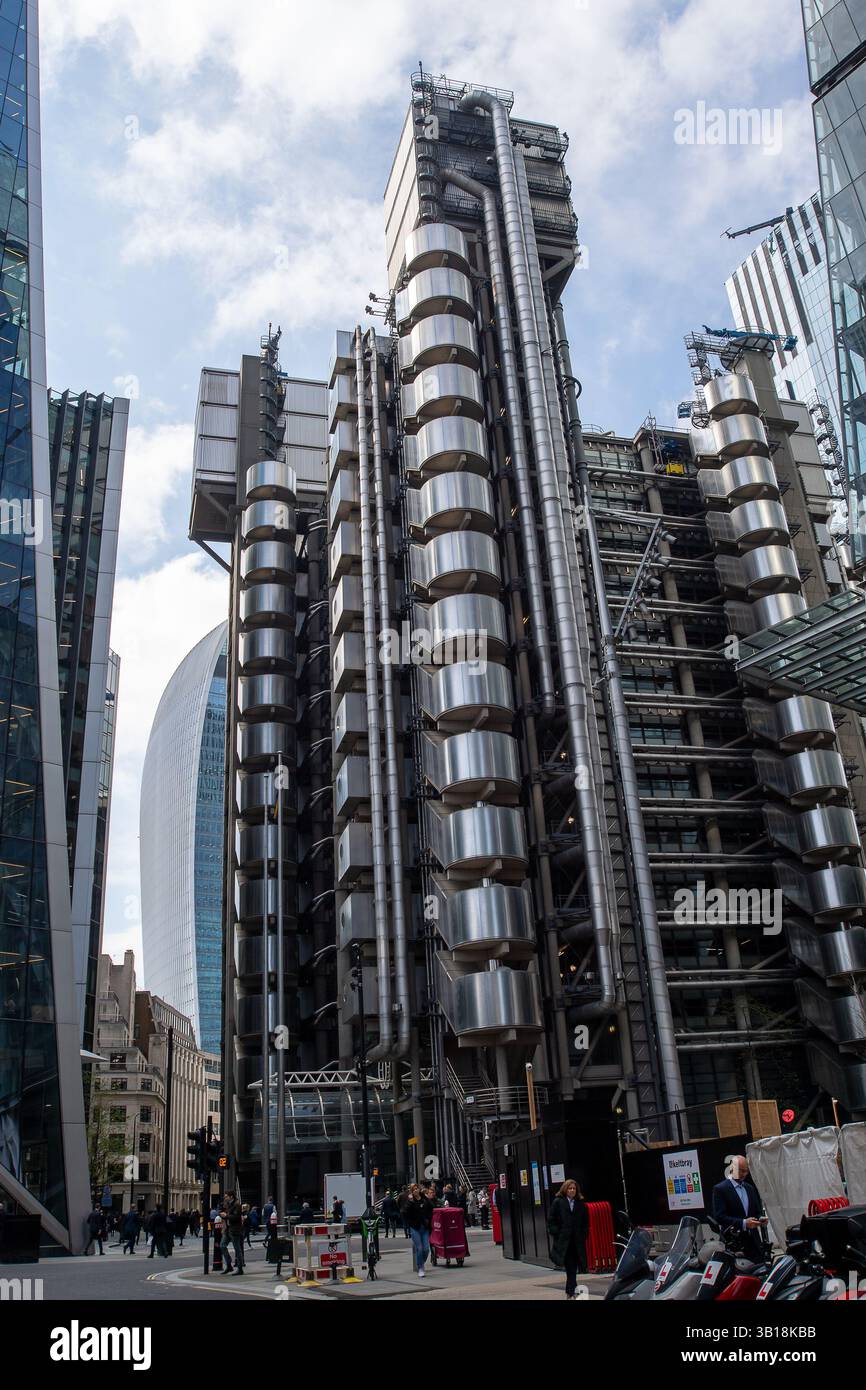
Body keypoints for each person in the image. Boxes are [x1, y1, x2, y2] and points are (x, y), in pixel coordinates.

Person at [712, 1155, 768, 1262]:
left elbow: (756, 1212)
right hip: (734, 1242)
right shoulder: (720, 1189)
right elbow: (719, 1217)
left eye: (746, 1171)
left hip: (753, 1243)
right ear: (732, 1168)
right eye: (741, 1171)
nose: (744, 1174)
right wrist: (743, 1223)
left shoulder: (749, 1188)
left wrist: (760, 1219)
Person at [547, 1179, 590, 1300]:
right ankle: (573, 1292)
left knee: (573, 1268)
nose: (572, 1190)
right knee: (570, 1267)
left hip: (577, 1241)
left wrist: (584, 1235)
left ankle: (570, 1293)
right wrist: (557, 1232)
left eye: (574, 1189)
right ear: (565, 1189)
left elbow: (585, 1222)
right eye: (570, 1188)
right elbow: (551, 1220)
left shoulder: (581, 1204)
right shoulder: (558, 1202)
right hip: (564, 1241)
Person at [404, 1183, 434, 1278]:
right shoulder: (410, 1200)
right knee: (419, 1248)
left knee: (426, 1249)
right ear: (412, 1192)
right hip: (415, 1227)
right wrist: (410, 1201)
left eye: (417, 1188)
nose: (416, 1190)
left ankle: (421, 1262)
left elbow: (431, 1207)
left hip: (424, 1227)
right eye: (414, 1189)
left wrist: (428, 1219)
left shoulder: (424, 1198)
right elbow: (405, 1211)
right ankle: (420, 1267)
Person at [226, 1198, 245, 1275]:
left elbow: (236, 1217)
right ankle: (229, 1264)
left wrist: (226, 1216)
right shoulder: (228, 1205)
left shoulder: (236, 1205)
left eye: (226, 1196)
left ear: (231, 1197)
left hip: (235, 1229)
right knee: (222, 1245)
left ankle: (240, 1267)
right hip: (228, 1229)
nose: (225, 1197)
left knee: (237, 1248)